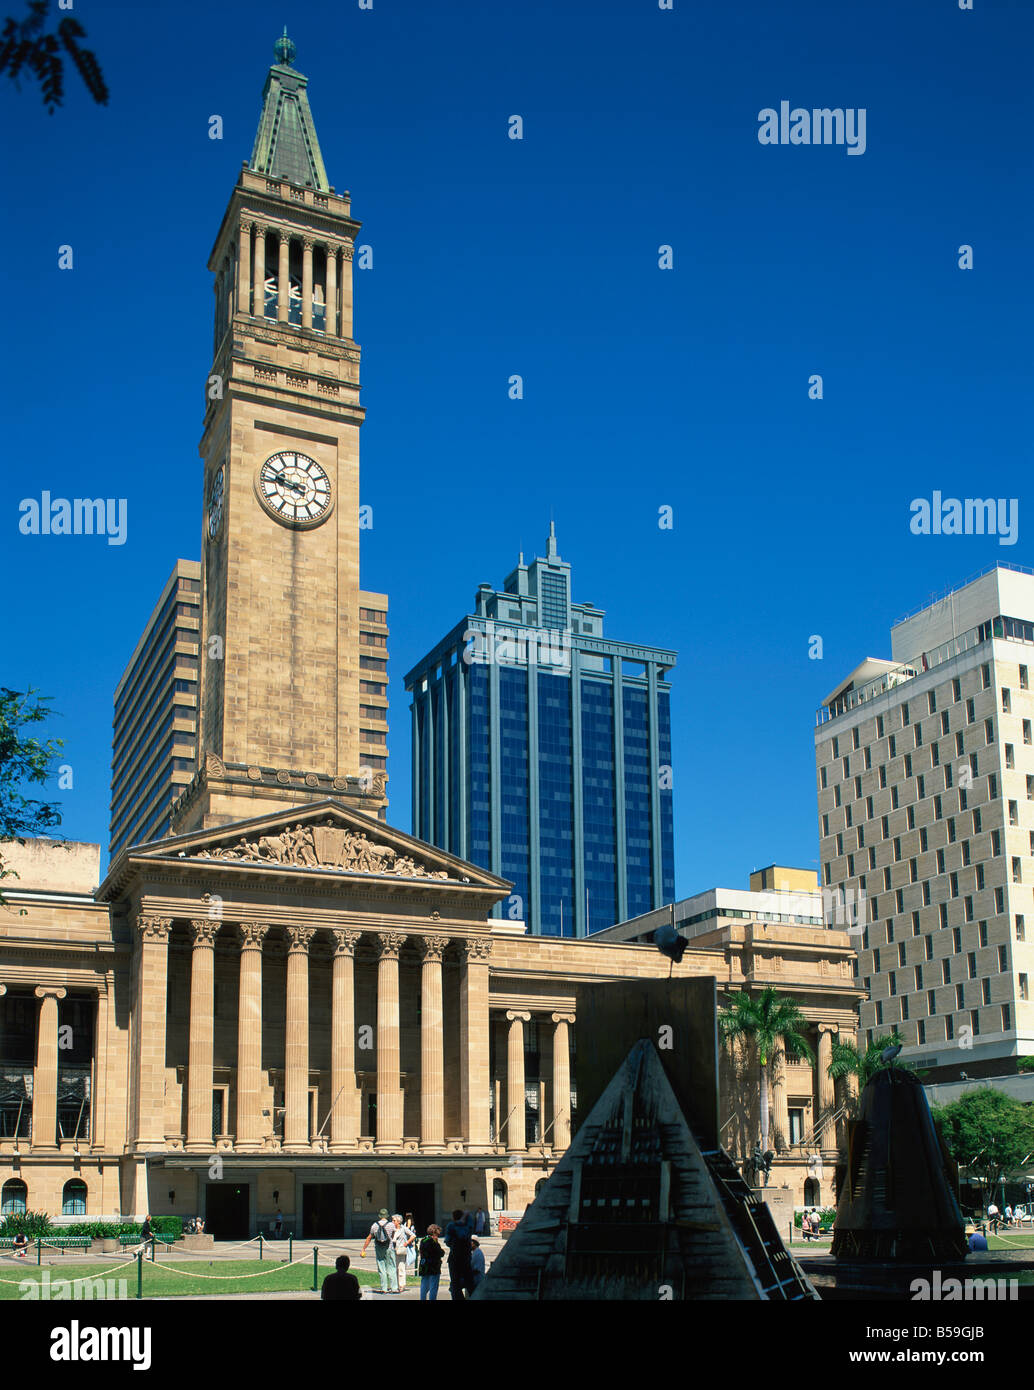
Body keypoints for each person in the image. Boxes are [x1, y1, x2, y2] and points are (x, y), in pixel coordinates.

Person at [361, 1208, 398, 1294]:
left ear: (380, 1216)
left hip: (379, 1248)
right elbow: (392, 1236)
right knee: (391, 1267)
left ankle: (384, 1288)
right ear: (387, 1216)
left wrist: (363, 1248)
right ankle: (394, 1288)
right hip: (389, 1247)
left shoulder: (374, 1225)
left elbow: (369, 1237)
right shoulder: (391, 1225)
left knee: (382, 1268)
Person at [444, 1208, 474, 1300]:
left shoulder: (451, 1226)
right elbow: (471, 1221)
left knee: (455, 1283)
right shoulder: (468, 1227)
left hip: (454, 1257)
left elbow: (447, 1241)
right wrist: (466, 1216)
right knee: (469, 1282)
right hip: (466, 1257)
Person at [418, 1224, 444, 1301]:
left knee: (424, 1285)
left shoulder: (423, 1240)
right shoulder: (433, 1242)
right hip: (434, 1266)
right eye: (438, 1234)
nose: (438, 1236)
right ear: (434, 1233)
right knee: (433, 1287)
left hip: (424, 1265)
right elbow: (440, 1253)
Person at [391, 1213, 410, 1292]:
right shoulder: (392, 1229)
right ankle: (395, 1285)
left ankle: (402, 1285)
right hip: (393, 1250)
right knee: (394, 1269)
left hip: (401, 1250)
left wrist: (406, 1243)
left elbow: (413, 1235)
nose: (392, 1222)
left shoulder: (403, 1228)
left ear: (398, 1221)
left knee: (401, 1268)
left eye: (394, 1220)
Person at [402, 1212, 418, 1282]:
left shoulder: (408, 1224)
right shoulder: (406, 1224)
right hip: (407, 1242)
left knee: (411, 1255)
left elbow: (408, 1229)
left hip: (408, 1242)